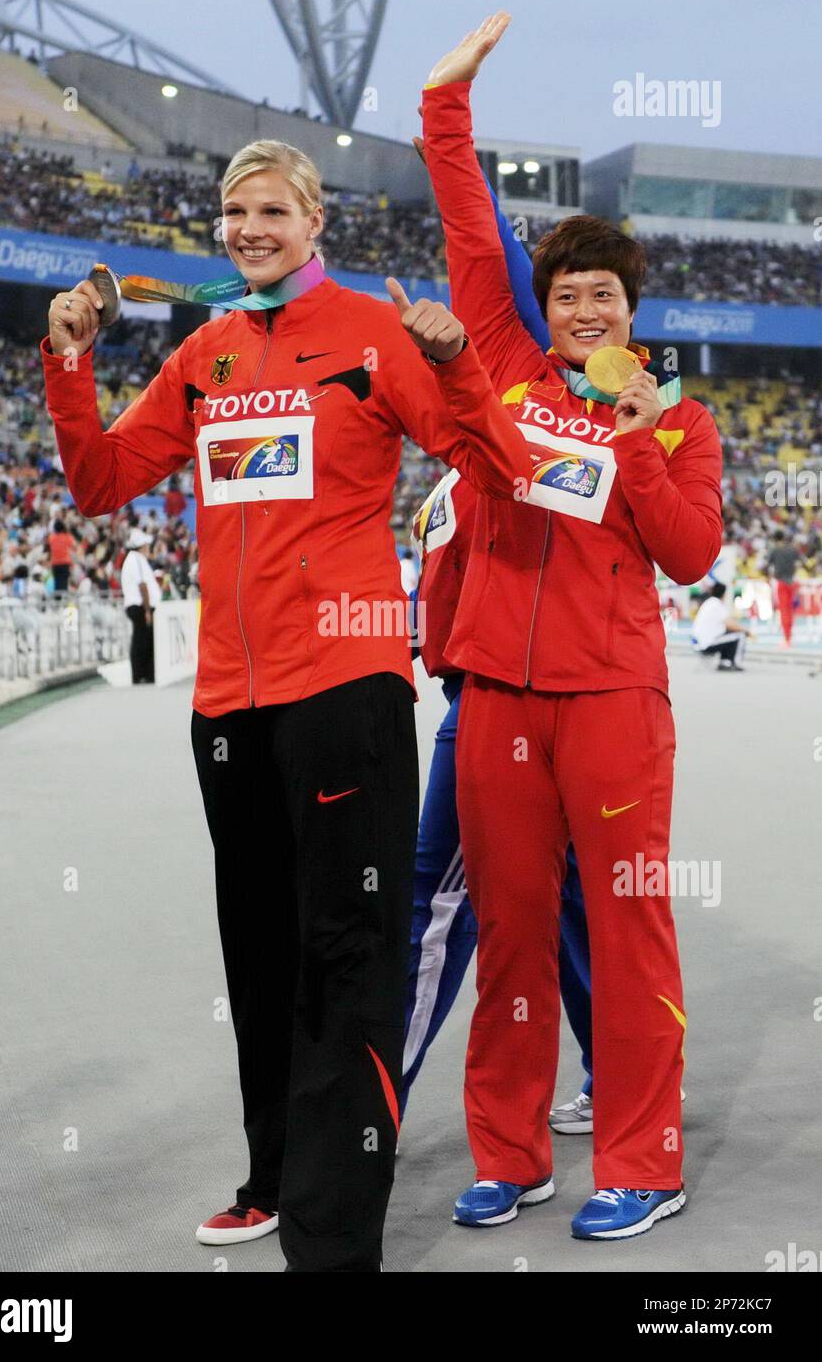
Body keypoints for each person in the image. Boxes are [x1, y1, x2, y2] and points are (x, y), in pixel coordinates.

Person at [40, 135, 532, 1273]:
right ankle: (272, 1175)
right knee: (259, 953)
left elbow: (492, 461)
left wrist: (456, 360)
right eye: (232, 211)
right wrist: (70, 366)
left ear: (315, 224)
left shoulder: (372, 335)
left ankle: (331, 1230)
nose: (249, 228)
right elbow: (104, 479)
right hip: (228, 704)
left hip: (345, 689)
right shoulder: (206, 353)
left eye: (271, 210)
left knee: (346, 951)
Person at [419, 13, 723, 1240]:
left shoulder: (679, 422)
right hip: (494, 697)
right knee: (508, 939)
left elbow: (692, 556)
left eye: (602, 294)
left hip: (612, 706)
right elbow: (462, 227)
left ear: (629, 310)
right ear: (538, 309)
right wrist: (447, 106)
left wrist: (643, 433)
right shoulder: (501, 366)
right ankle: (510, 1153)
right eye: (566, 294)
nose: (583, 308)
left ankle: (641, 1160)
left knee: (629, 928)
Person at [399, 156, 594, 1130]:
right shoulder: (451, 470)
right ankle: (614, 1072)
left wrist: (461, 159)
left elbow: (499, 282)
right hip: (470, 689)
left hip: (506, 700)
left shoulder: (531, 411)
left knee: (434, 898)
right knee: (549, 904)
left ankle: (365, 1107)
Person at [121, 529, 160, 684]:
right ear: (142, 546)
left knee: (144, 639)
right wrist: (147, 610)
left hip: (140, 605)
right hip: (139, 605)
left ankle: (144, 674)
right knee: (141, 641)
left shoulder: (136, 559)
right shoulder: (136, 559)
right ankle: (140, 675)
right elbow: (142, 585)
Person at [692, 582, 749, 670]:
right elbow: (730, 624)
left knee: (729, 635)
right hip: (707, 644)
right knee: (740, 635)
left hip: (699, 642)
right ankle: (737, 663)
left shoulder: (709, 602)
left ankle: (725, 663)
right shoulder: (716, 604)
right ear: (724, 594)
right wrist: (747, 631)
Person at [765, 528, 800, 647]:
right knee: (789, 610)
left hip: (781, 582)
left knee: (784, 610)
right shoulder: (792, 549)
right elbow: (799, 563)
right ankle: (789, 636)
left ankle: (787, 639)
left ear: (775, 539)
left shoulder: (774, 549)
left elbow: (767, 564)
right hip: (792, 582)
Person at [47, 517, 76, 594]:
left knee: (57, 583)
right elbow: (74, 546)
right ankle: (63, 602)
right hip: (65, 563)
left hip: (55, 563)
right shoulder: (67, 537)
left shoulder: (51, 537)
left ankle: (57, 601)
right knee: (64, 583)